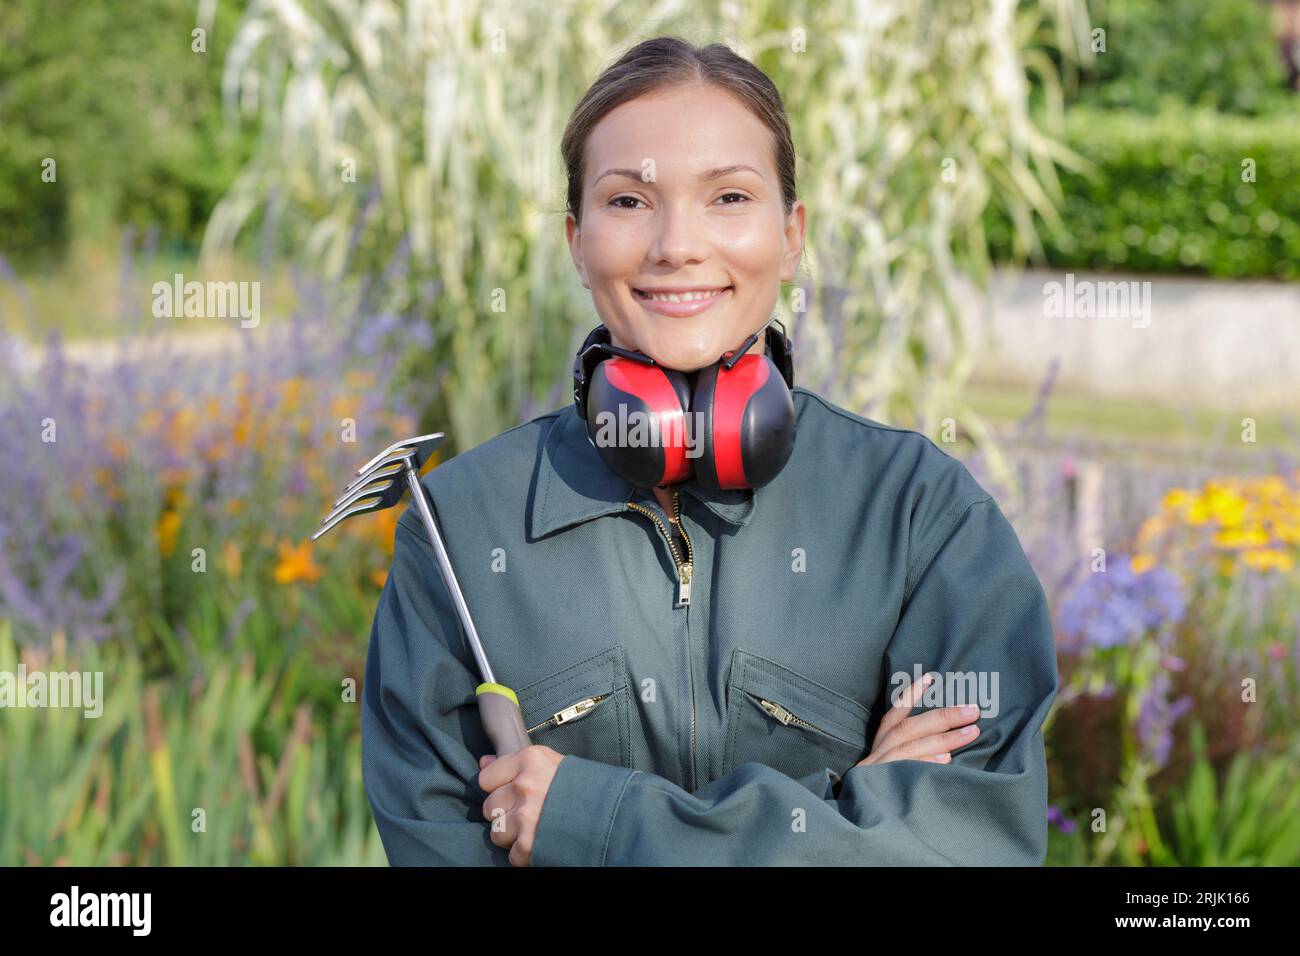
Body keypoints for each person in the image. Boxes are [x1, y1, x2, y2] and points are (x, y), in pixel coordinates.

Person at [360, 36, 1058, 867]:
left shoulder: (920, 514)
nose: (677, 246)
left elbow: (972, 846)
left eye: (729, 196)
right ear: (576, 242)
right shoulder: (461, 532)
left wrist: (595, 823)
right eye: (628, 202)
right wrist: (846, 814)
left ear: (791, 235)